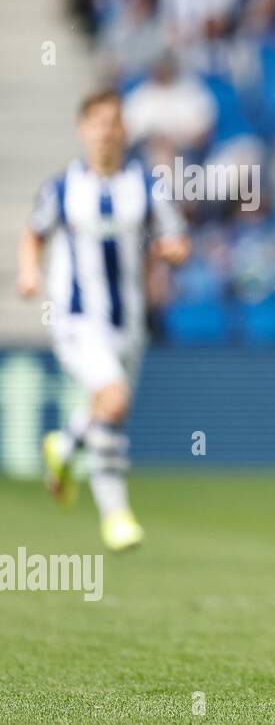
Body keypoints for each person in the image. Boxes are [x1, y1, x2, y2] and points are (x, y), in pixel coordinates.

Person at [16, 90, 191, 550]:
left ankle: (65, 445)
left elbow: (176, 237)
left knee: (110, 408)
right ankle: (116, 516)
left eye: (114, 122)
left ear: (123, 131)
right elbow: (34, 235)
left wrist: (173, 250)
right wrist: (31, 272)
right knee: (112, 402)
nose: (106, 131)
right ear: (83, 129)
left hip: (129, 324)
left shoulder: (146, 188)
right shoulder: (62, 188)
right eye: (97, 122)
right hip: (76, 319)